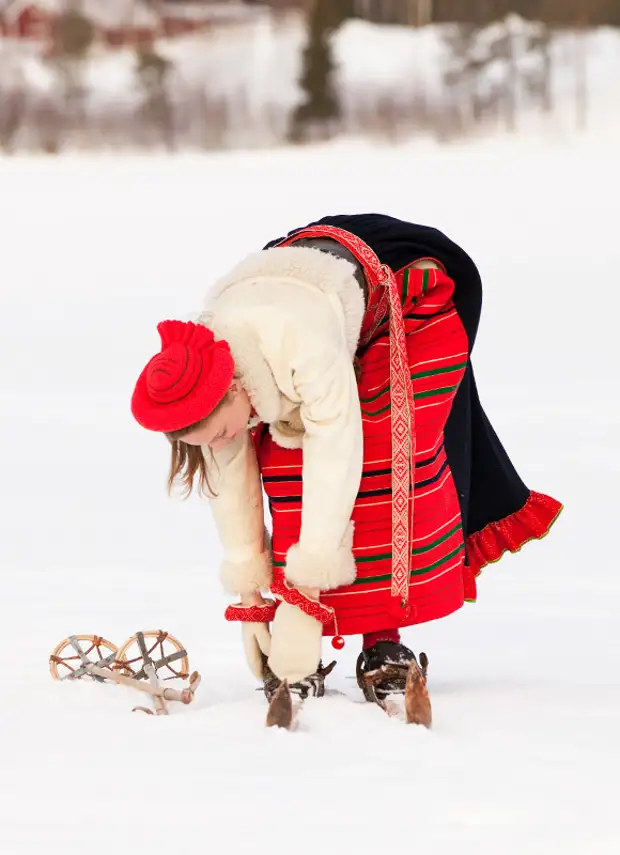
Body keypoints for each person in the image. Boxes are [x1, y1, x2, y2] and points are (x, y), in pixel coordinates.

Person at [130, 213, 562, 712]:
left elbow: (336, 453)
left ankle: (383, 641)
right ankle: (299, 648)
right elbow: (233, 476)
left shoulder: (299, 341)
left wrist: (303, 594)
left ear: (232, 387)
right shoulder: (211, 374)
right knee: (284, 462)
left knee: (382, 456)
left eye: (226, 428)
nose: (229, 437)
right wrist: (252, 604)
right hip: (310, 289)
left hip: (402, 291)